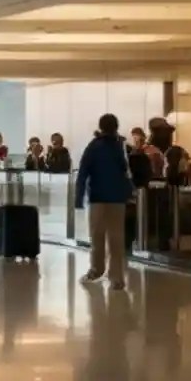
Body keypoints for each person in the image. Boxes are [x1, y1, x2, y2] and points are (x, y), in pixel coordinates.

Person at [76, 114, 133, 291]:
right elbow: (125, 171)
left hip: (98, 198)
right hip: (117, 199)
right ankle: (117, 278)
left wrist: (79, 198)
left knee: (97, 237)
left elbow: (83, 172)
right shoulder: (119, 146)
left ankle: (96, 270)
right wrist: (128, 192)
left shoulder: (94, 146)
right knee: (117, 238)